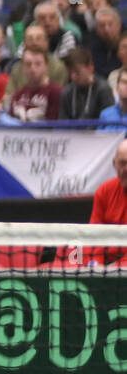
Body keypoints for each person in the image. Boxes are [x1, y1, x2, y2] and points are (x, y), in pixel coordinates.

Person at [81, 138, 127, 267]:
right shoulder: (105, 190)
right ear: (114, 164)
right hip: (106, 266)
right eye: (122, 163)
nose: (126, 169)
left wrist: (114, 270)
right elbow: (94, 235)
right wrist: (95, 264)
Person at [4, 47, 62, 123]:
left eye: (38, 64)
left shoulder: (56, 92)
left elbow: (55, 125)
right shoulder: (18, 94)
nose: (32, 68)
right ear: (23, 67)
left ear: (46, 66)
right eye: (28, 64)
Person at [59, 48, 113, 122]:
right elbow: (62, 123)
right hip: (72, 130)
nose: (73, 77)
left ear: (90, 67)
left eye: (77, 72)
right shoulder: (67, 92)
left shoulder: (103, 90)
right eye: (70, 72)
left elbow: (109, 122)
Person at [88, 7, 124, 79]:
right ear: (97, 29)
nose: (106, 29)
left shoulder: (125, 46)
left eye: (110, 24)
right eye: (102, 25)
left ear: (119, 25)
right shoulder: (92, 45)